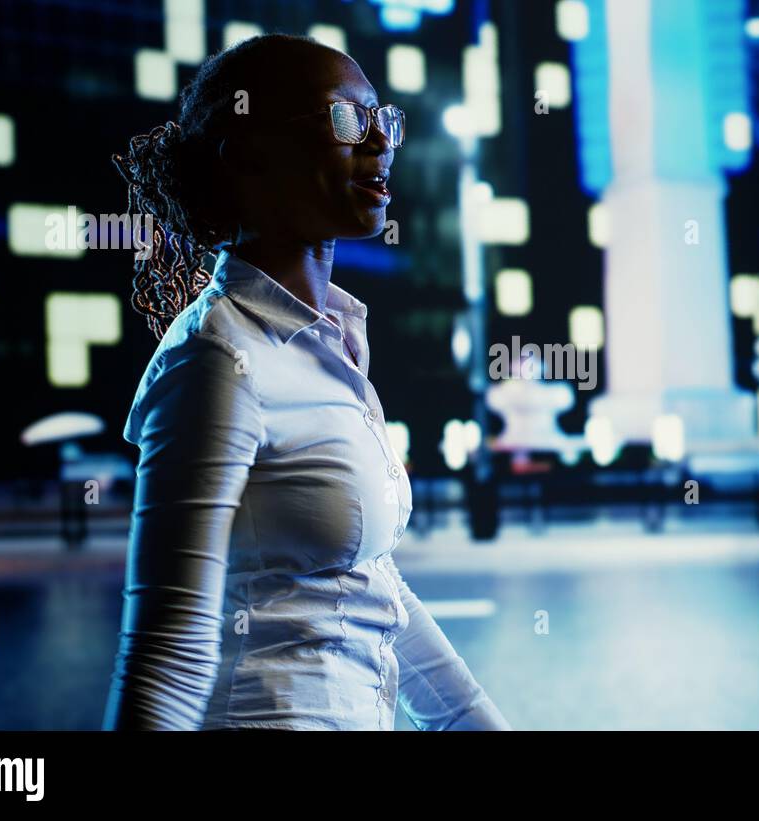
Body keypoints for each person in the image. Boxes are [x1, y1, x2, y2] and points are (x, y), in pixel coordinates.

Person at [102, 34, 509, 731]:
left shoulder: (333, 341)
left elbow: (371, 588)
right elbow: (165, 661)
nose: (379, 141)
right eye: (346, 120)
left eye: (384, 119)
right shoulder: (216, 361)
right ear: (250, 157)